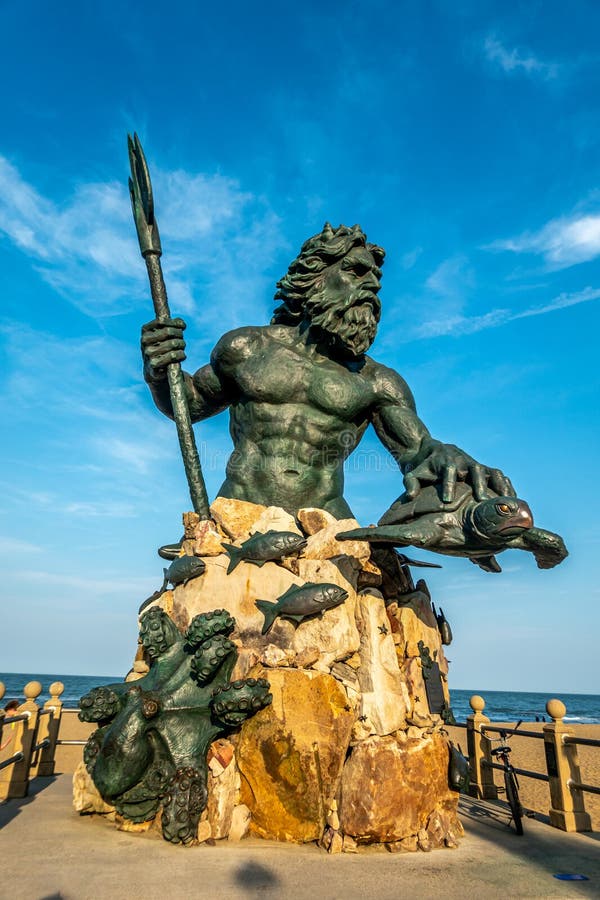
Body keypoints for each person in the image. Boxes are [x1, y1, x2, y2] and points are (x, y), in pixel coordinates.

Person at [141, 223, 514, 519]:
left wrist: (444, 454)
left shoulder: (377, 382)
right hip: (239, 514)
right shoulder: (246, 347)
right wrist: (159, 371)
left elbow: (419, 450)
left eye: (376, 281)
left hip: (325, 523)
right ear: (316, 276)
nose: (371, 284)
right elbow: (186, 406)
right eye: (355, 271)